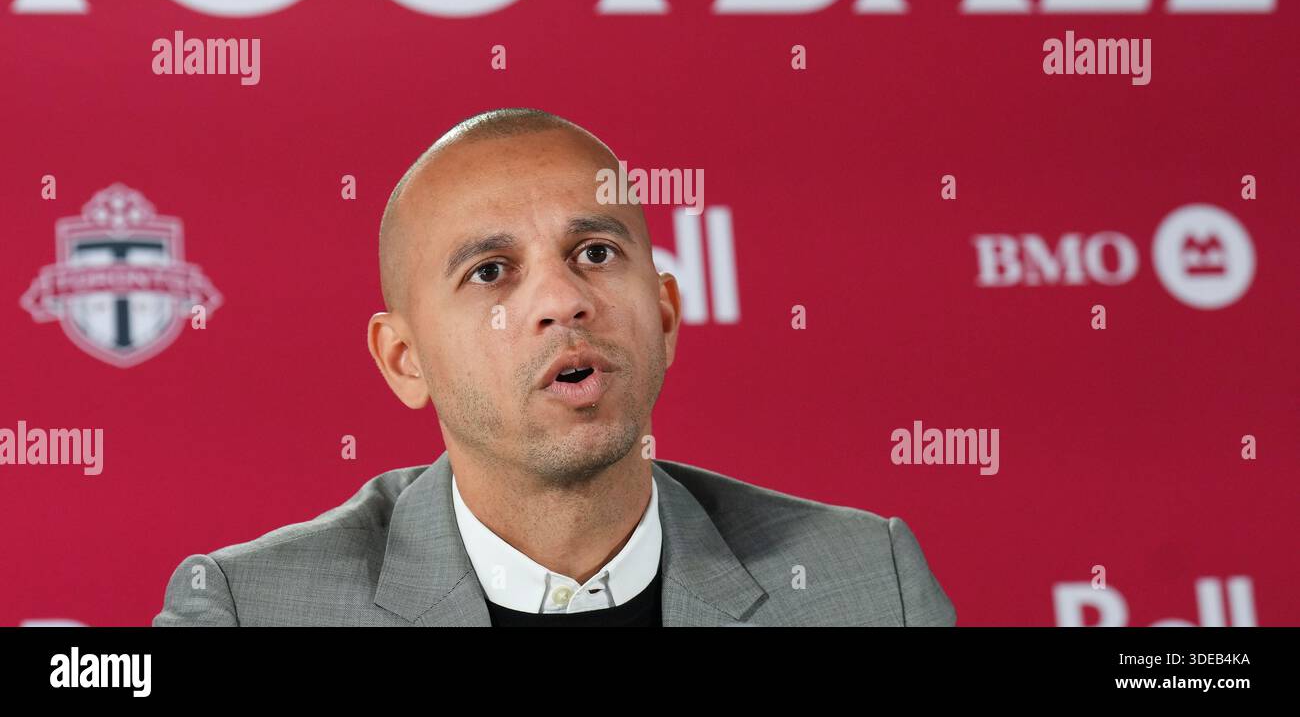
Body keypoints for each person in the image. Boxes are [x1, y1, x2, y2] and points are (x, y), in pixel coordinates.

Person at [153, 108, 956, 626]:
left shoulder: (869, 585)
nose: (562, 301)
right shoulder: (250, 610)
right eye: (491, 271)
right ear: (405, 361)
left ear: (666, 315)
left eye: (595, 252)